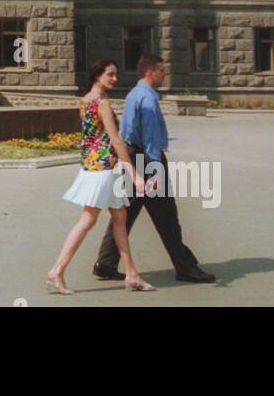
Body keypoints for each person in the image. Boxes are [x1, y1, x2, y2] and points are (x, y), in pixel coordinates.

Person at [92, 52, 216, 284]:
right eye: (161, 70)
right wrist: (157, 169)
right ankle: (185, 267)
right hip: (148, 161)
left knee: (125, 215)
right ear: (151, 72)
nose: (164, 74)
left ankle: (105, 264)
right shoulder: (147, 100)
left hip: (132, 158)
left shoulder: (133, 94)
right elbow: (150, 140)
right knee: (167, 218)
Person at [46, 59, 155, 294]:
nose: (115, 78)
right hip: (105, 167)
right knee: (88, 220)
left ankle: (131, 274)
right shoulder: (102, 102)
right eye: (110, 74)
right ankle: (57, 269)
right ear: (98, 75)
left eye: (115, 74)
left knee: (119, 217)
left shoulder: (85, 100)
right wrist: (135, 175)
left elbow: (90, 137)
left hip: (92, 164)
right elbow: (115, 140)